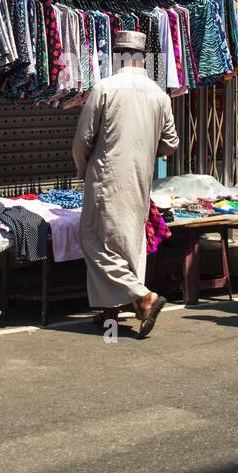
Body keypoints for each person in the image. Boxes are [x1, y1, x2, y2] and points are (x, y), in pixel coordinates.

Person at [73, 30, 179, 339]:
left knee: (95, 240)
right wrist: (144, 149)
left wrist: (83, 169)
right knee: (129, 243)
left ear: (116, 56)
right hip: (140, 178)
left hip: (107, 177)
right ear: (144, 59)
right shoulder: (159, 94)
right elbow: (171, 143)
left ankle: (145, 298)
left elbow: (83, 138)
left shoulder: (105, 88)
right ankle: (111, 314)